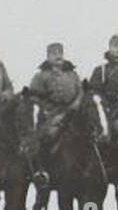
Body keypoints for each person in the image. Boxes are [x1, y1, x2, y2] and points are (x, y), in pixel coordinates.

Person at [28, 41, 82, 183]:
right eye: (54, 53)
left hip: (74, 113)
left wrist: (77, 103)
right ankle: (43, 170)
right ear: (48, 57)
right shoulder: (41, 76)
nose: (58, 56)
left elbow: (80, 91)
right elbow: (33, 97)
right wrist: (45, 108)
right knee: (49, 136)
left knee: (90, 132)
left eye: (60, 53)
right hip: (53, 114)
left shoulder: (72, 74)